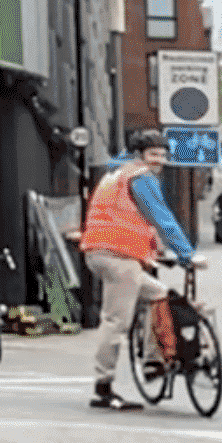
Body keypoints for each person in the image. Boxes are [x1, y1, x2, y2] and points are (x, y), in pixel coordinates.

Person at [80, 132, 198, 411]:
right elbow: (160, 215)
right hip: (120, 256)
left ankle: (152, 360)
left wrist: (156, 250)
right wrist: (186, 254)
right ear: (139, 154)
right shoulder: (140, 177)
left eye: (163, 155)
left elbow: (129, 216)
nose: (159, 161)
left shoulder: (114, 174)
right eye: (153, 154)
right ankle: (103, 388)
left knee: (158, 293)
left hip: (99, 252)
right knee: (115, 321)